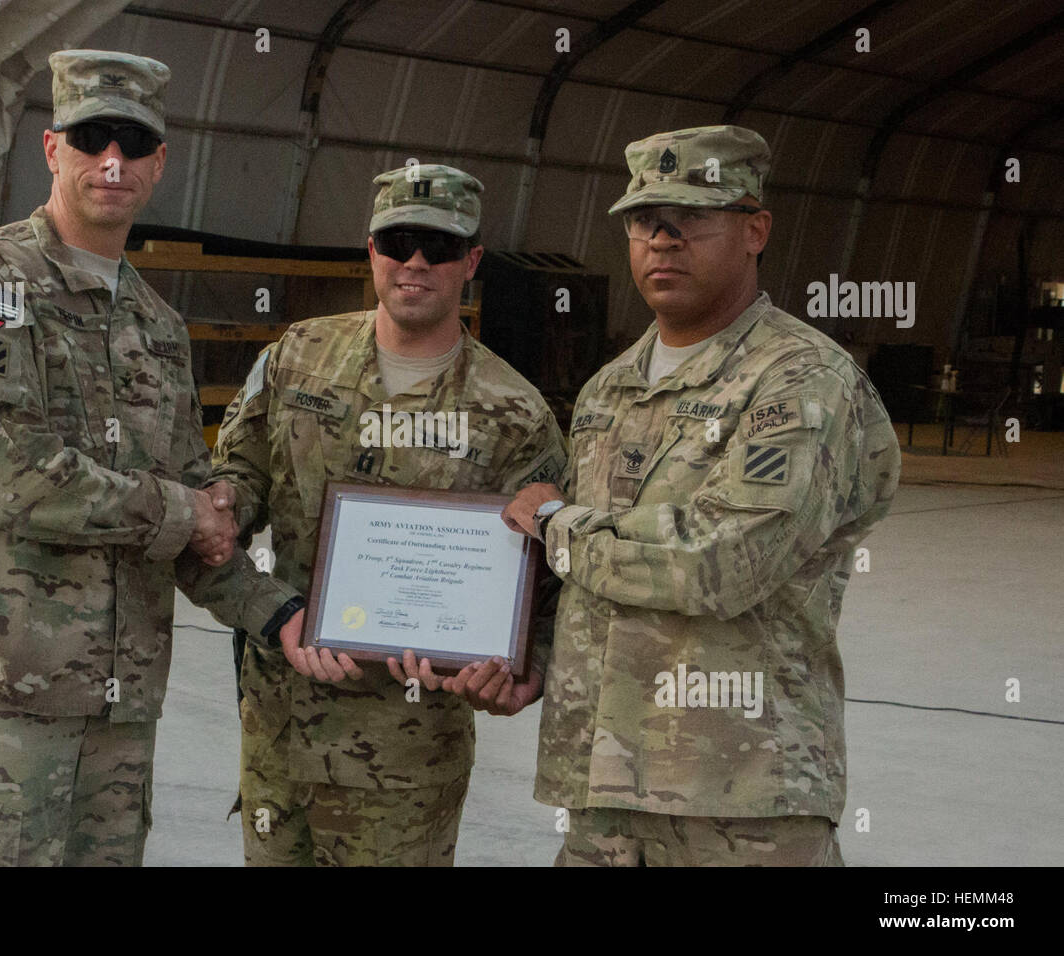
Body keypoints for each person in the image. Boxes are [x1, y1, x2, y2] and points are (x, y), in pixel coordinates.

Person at [0, 50, 303, 866]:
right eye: (90, 137)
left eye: (132, 142)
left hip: (122, 717)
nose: (111, 160)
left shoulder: (157, 327)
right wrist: (186, 512)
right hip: (11, 707)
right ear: (53, 148)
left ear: (158, 164)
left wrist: (278, 613)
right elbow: (9, 478)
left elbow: (188, 516)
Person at [481, 125, 901, 865]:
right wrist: (530, 653)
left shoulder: (802, 381)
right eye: (645, 222)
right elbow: (593, 584)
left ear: (755, 230)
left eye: (690, 219)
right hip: (603, 793)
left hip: (741, 803)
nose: (663, 241)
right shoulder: (610, 387)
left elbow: (723, 561)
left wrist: (555, 522)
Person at [206, 164, 567, 866]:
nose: (416, 263)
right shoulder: (295, 360)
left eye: (439, 246)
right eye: (398, 242)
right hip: (278, 731)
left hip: (408, 759)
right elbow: (234, 486)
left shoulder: (515, 414)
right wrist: (267, 604)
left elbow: (551, 586)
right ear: (371, 249)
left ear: (472, 261)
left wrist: (527, 671)